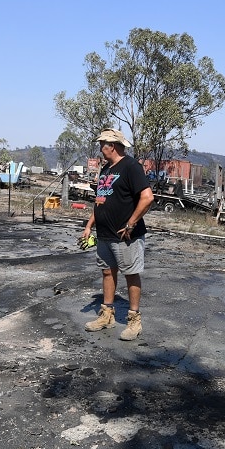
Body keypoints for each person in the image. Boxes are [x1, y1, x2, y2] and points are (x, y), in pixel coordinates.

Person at [80, 128, 154, 341]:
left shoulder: (131, 166)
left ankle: (134, 320)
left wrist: (131, 223)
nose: (100, 149)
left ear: (111, 146)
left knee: (131, 274)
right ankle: (107, 315)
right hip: (105, 234)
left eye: (101, 145)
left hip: (125, 235)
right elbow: (100, 200)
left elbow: (147, 197)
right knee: (107, 272)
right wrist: (89, 225)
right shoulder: (106, 169)